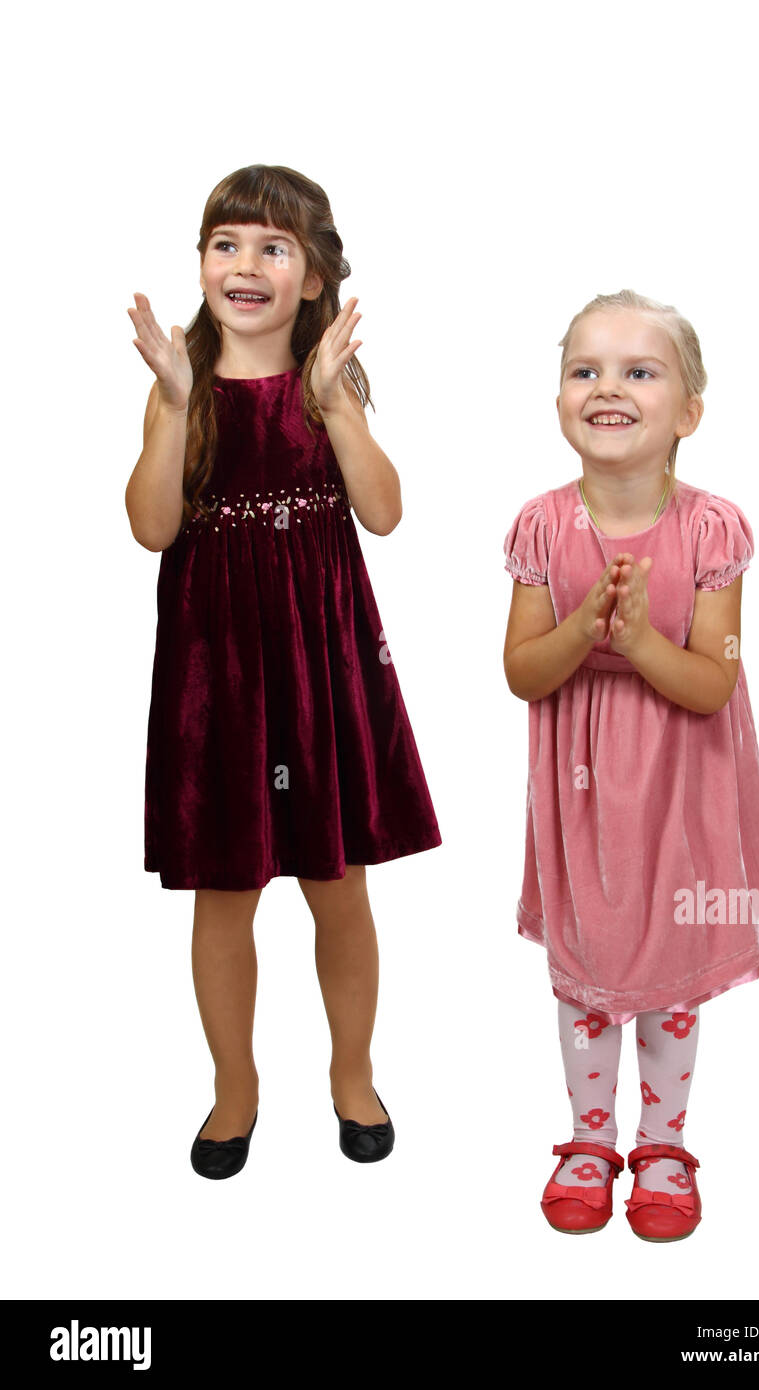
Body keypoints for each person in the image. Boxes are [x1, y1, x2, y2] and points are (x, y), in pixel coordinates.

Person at [125, 164, 441, 1179]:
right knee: (223, 892)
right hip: (217, 669)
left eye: (272, 246)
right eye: (226, 243)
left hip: (319, 660)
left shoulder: (329, 383)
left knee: (335, 881)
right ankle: (234, 1087)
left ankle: (353, 1073)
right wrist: (174, 406)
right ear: (202, 263)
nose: (244, 263)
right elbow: (151, 526)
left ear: (312, 279)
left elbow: (385, 513)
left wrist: (335, 406)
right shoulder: (178, 387)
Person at [502, 289, 759, 1240]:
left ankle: (663, 1146)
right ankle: (588, 1140)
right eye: (586, 369)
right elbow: (521, 674)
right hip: (581, 800)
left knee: (665, 973)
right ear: (559, 401)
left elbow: (713, 683)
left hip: (679, 795)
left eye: (638, 370)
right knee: (586, 971)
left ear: (688, 413)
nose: (607, 387)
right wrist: (586, 628)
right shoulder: (543, 526)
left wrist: (640, 640)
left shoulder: (711, 532)